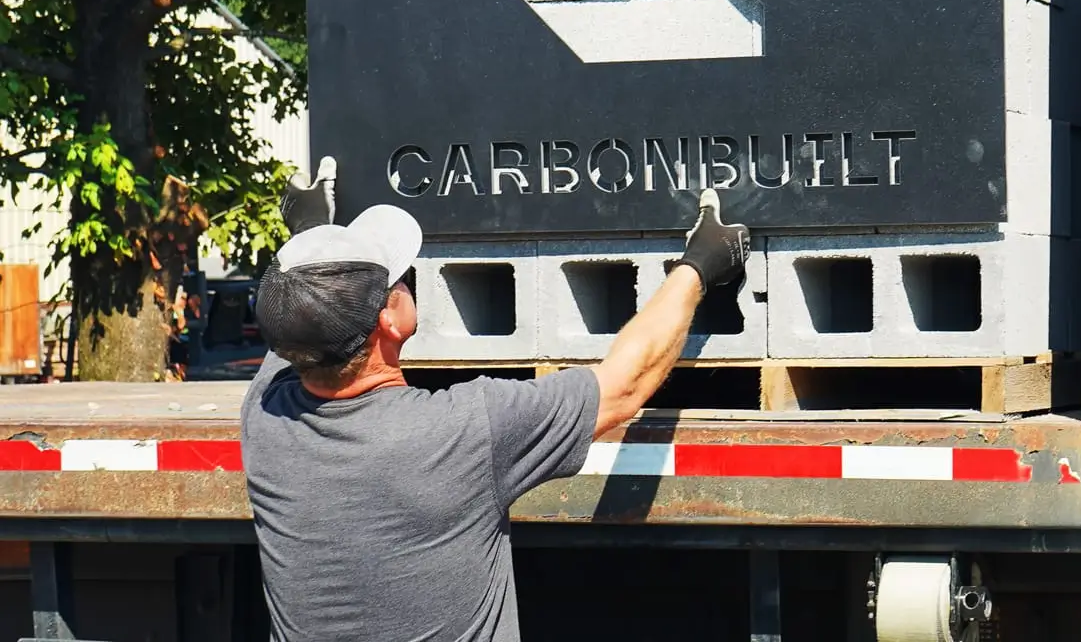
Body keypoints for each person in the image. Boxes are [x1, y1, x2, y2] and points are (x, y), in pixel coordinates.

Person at [240, 163, 748, 642]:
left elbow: (302, 321)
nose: (405, 281)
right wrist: (699, 265)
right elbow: (624, 384)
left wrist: (312, 237)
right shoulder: (465, 432)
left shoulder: (264, 419)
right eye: (397, 279)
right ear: (388, 322)